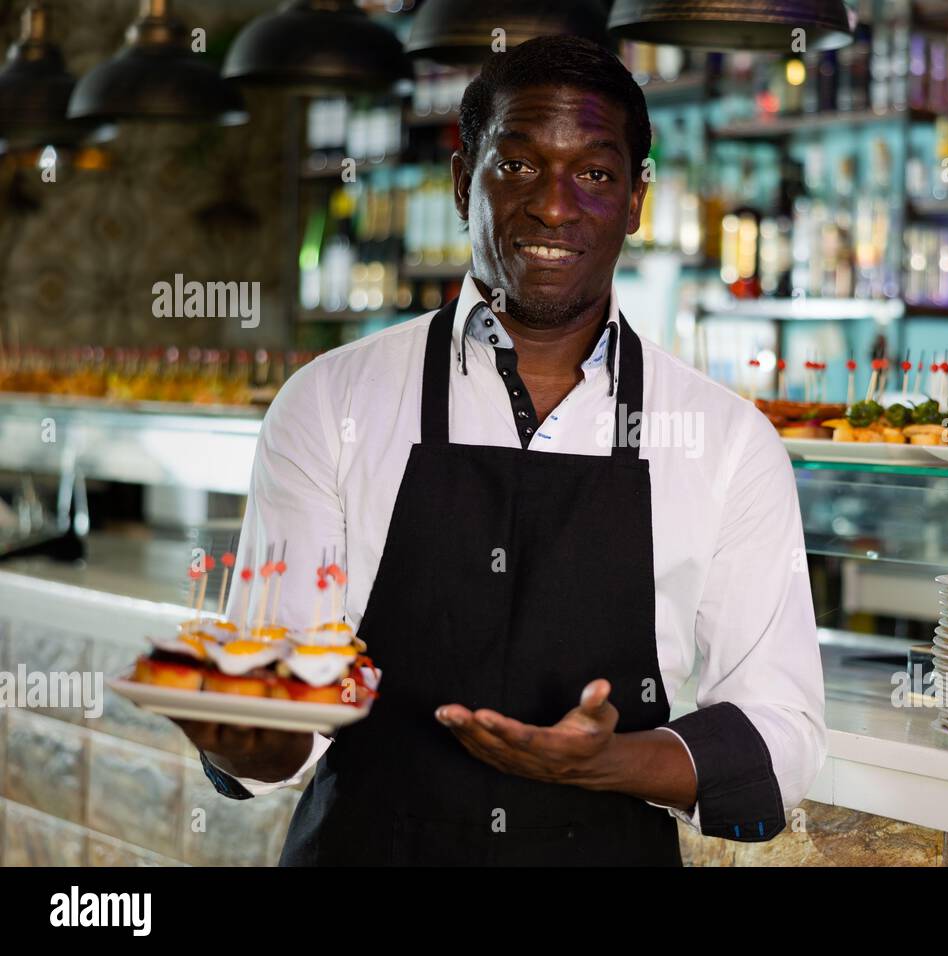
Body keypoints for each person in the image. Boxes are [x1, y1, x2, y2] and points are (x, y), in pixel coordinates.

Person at [179, 34, 825, 866]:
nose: (555, 207)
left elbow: (781, 733)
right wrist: (239, 733)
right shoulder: (330, 402)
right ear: (462, 183)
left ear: (636, 201)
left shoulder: (730, 441)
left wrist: (611, 762)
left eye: (595, 173)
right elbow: (282, 727)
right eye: (517, 166)